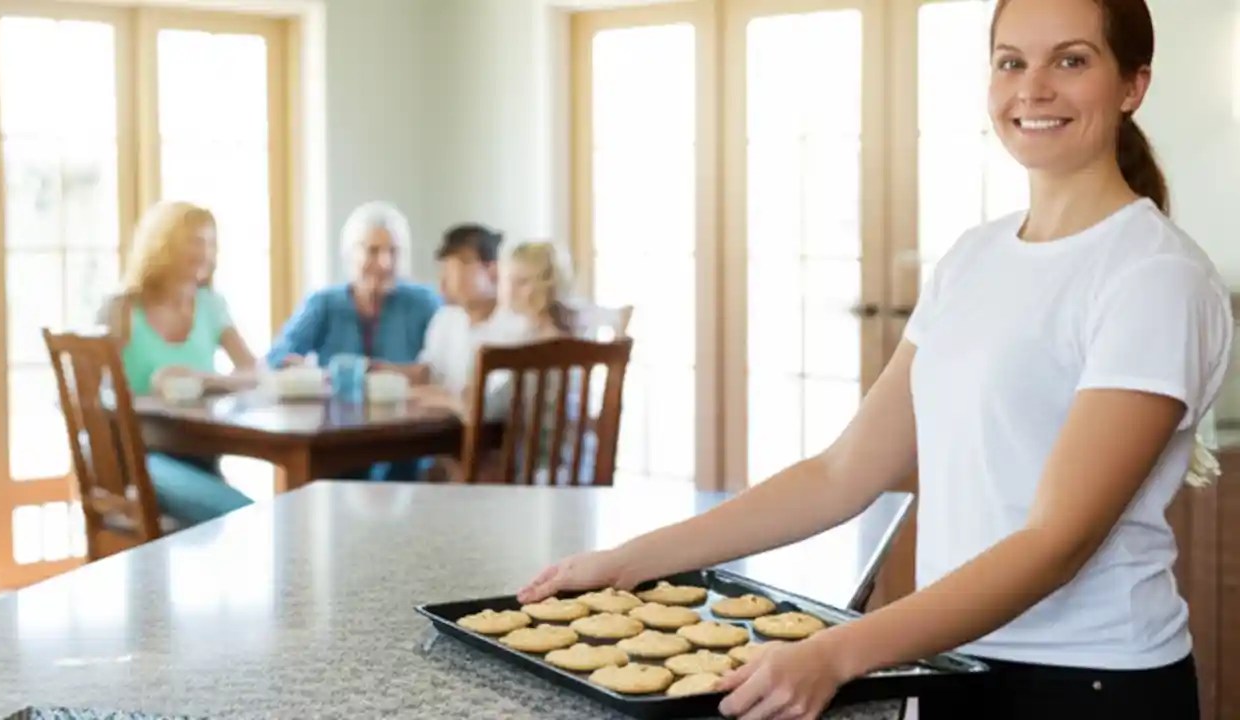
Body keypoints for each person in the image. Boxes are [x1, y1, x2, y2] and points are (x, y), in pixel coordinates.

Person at [518, 0, 1232, 717]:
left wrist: (837, 652)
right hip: (953, 661)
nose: (1032, 87)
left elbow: (1057, 541)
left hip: (1088, 685)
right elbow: (842, 473)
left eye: (1071, 60)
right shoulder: (973, 259)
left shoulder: (1153, 277)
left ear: (1133, 86)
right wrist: (630, 560)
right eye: (1011, 61)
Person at [100, 201, 255, 526]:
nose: (206, 253)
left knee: (249, 518)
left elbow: (254, 372)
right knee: (249, 518)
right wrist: (144, 396)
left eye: (211, 243)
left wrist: (204, 379)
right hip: (140, 457)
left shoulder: (212, 306)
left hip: (199, 458)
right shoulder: (122, 309)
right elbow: (90, 392)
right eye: (196, 242)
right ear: (163, 245)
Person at [415, 240, 588, 483]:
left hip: (534, 475)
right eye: (511, 281)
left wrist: (445, 399)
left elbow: (482, 412)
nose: (509, 290)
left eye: (521, 282)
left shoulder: (530, 349)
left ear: (545, 287)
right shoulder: (575, 343)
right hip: (578, 470)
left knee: (447, 468)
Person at [265, 201, 440, 369]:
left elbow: (447, 361)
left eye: (393, 252)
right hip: (335, 398)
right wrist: (297, 366)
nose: (385, 263)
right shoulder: (323, 303)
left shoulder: (423, 302)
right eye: (373, 251)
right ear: (350, 255)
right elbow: (277, 357)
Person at [411, 224, 530, 392]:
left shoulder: (519, 325)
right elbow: (427, 374)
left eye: (454, 268)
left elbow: (495, 400)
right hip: (441, 417)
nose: (443, 279)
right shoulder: (444, 318)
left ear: (492, 270)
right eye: (443, 268)